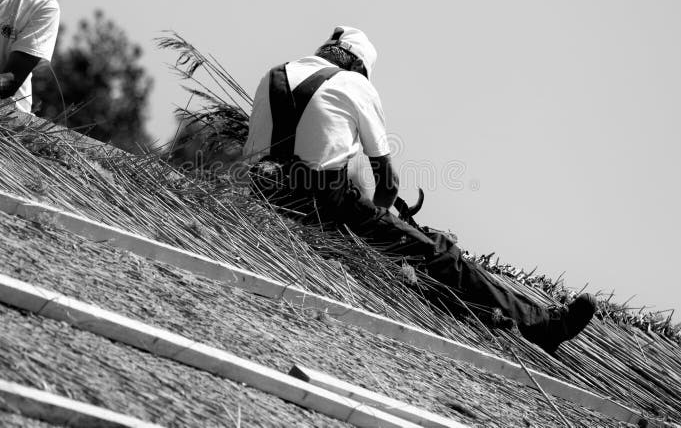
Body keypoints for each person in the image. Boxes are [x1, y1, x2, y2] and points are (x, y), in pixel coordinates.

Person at [244, 26, 597, 355]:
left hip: (264, 193)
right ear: (357, 66)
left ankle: (487, 313)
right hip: (326, 203)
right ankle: (543, 325)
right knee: (438, 255)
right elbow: (387, 183)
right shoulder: (355, 84)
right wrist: (385, 209)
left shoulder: (273, 74)